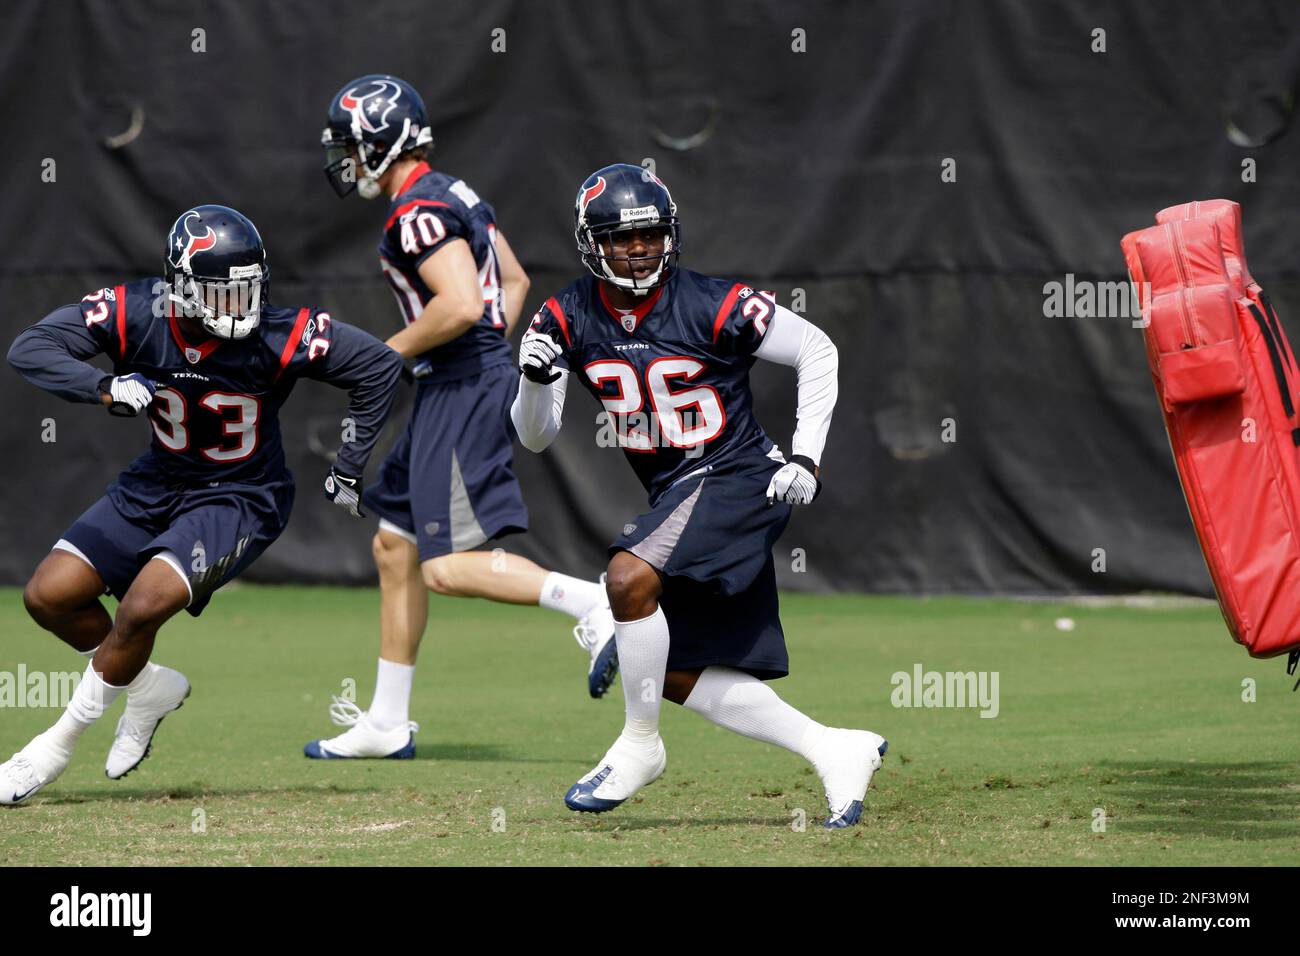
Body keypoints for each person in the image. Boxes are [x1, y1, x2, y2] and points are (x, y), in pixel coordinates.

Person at [512, 164, 888, 828]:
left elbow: (817, 349)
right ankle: (835, 749)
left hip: (740, 475)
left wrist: (807, 455)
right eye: (621, 239)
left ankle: (638, 746)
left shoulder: (711, 301)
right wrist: (535, 382)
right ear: (590, 243)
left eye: (651, 235)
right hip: (678, 490)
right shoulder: (565, 313)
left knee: (627, 578)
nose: (638, 249)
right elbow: (535, 436)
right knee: (669, 666)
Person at [1, 205, 403, 804]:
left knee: (141, 607)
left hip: (242, 495)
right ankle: (150, 688)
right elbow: (30, 347)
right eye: (221, 294)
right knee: (49, 596)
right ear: (181, 287)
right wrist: (104, 386)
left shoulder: (280, 330)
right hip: (158, 481)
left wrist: (350, 462)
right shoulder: (137, 312)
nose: (239, 308)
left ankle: (54, 745)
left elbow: (378, 365)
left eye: (247, 292)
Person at [307, 75, 617, 761]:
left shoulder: (412, 212)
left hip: (459, 385)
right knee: (396, 545)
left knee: (445, 568)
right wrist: (481, 359)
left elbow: (460, 306)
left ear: (379, 144)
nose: (347, 163)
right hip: (461, 378)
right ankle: (387, 724)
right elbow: (512, 281)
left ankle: (593, 602)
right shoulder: (453, 192)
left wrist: (386, 357)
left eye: (352, 148)